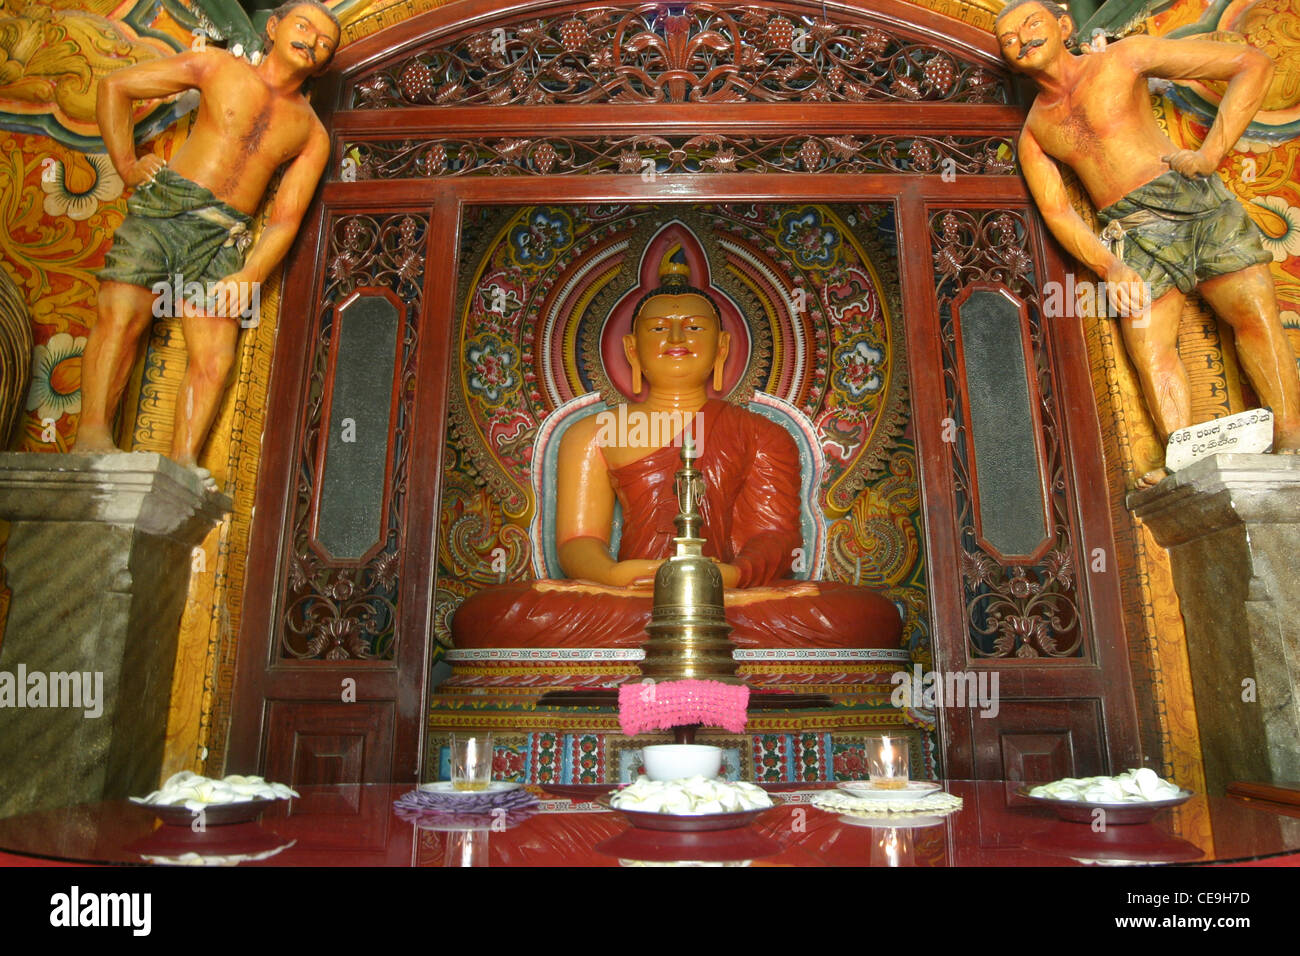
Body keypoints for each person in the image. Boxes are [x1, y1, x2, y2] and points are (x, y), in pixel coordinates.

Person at [452, 252, 903, 650]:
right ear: (632, 348)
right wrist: (615, 576)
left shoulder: (759, 432)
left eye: (692, 326)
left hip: (726, 596)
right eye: (658, 327)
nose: (675, 336)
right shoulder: (596, 431)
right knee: (492, 616)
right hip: (627, 596)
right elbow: (578, 543)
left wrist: (732, 576)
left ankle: (692, 622)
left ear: (722, 346)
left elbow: (774, 538)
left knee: (862, 617)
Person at [997, 0, 1300, 486]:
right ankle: (1185, 464)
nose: (1021, 39)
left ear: (1064, 25)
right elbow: (1057, 211)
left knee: (1255, 315)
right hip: (1130, 231)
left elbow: (1252, 65)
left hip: (1190, 198)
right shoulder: (1035, 131)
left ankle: (1291, 441)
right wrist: (1109, 267)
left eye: (1030, 24)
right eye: (1007, 38)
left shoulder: (1123, 57)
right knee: (1148, 345)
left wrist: (1211, 153)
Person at [74, 1, 339, 481]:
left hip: (225, 237)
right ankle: (91, 432)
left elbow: (285, 219)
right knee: (122, 314)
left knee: (216, 356)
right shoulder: (217, 67)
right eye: (304, 27)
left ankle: (183, 462)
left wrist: (250, 275)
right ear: (274, 27)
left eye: (325, 43)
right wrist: (128, 165)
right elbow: (116, 87)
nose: (312, 42)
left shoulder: (311, 133)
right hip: (166, 209)